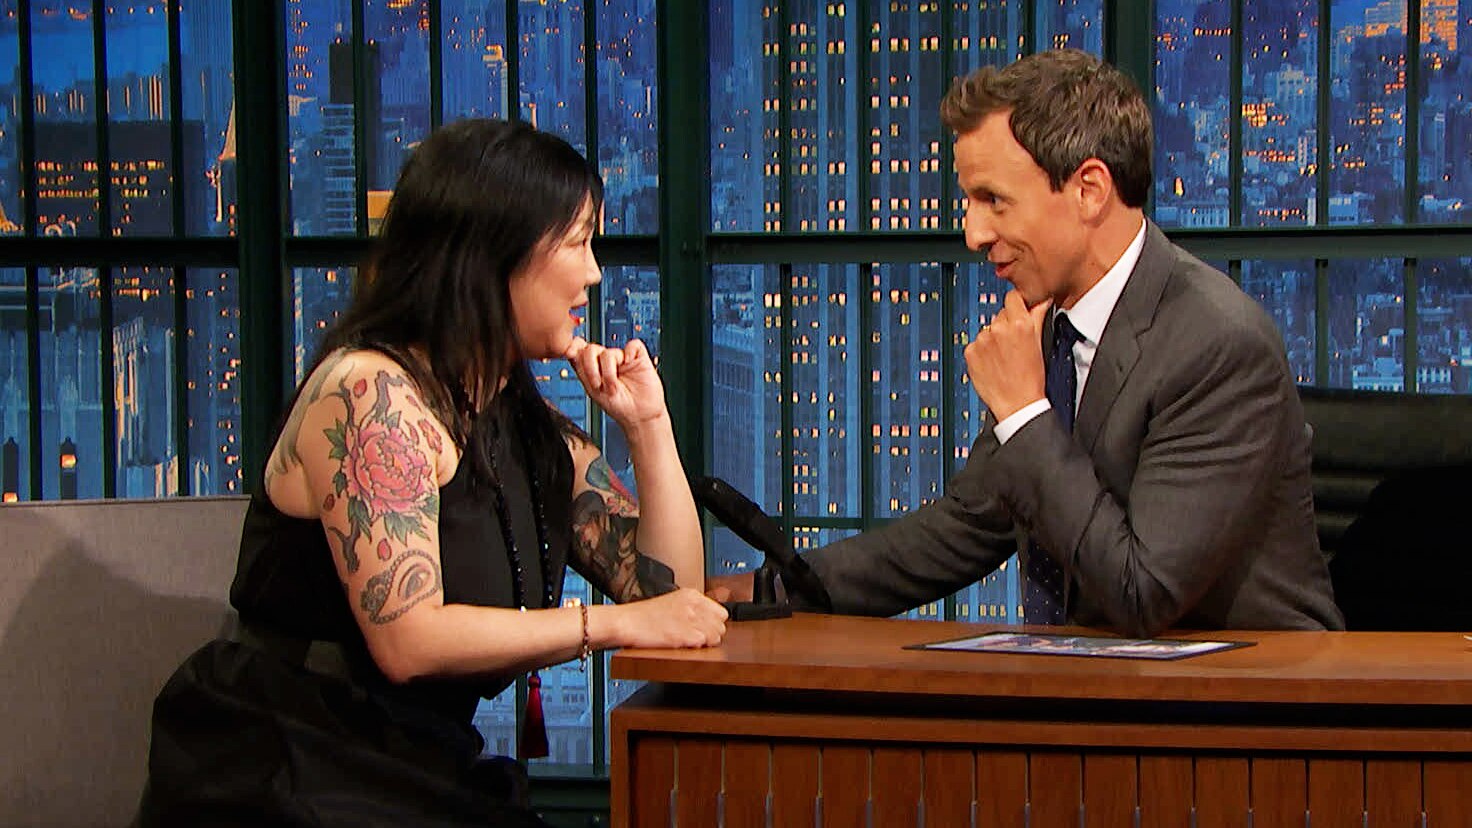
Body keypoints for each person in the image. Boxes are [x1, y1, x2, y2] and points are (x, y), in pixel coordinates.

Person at [138, 118, 727, 826]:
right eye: (576, 242)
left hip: (410, 760)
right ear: (492, 252)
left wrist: (649, 427)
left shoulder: (522, 423)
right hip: (288, 758)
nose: (594, 273)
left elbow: (669, 598)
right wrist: (606, 625)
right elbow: (408, 641)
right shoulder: (369, 392)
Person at [715, 49, 1342, 638]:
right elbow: (970, 524)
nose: (973, 234)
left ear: (1089, 190)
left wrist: (1023, 413)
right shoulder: (1050, 326)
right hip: (1093, 689)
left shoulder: (1218, 345)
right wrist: (777, 589)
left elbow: (1144, 591)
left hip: (1245, 703)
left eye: (993, 200)